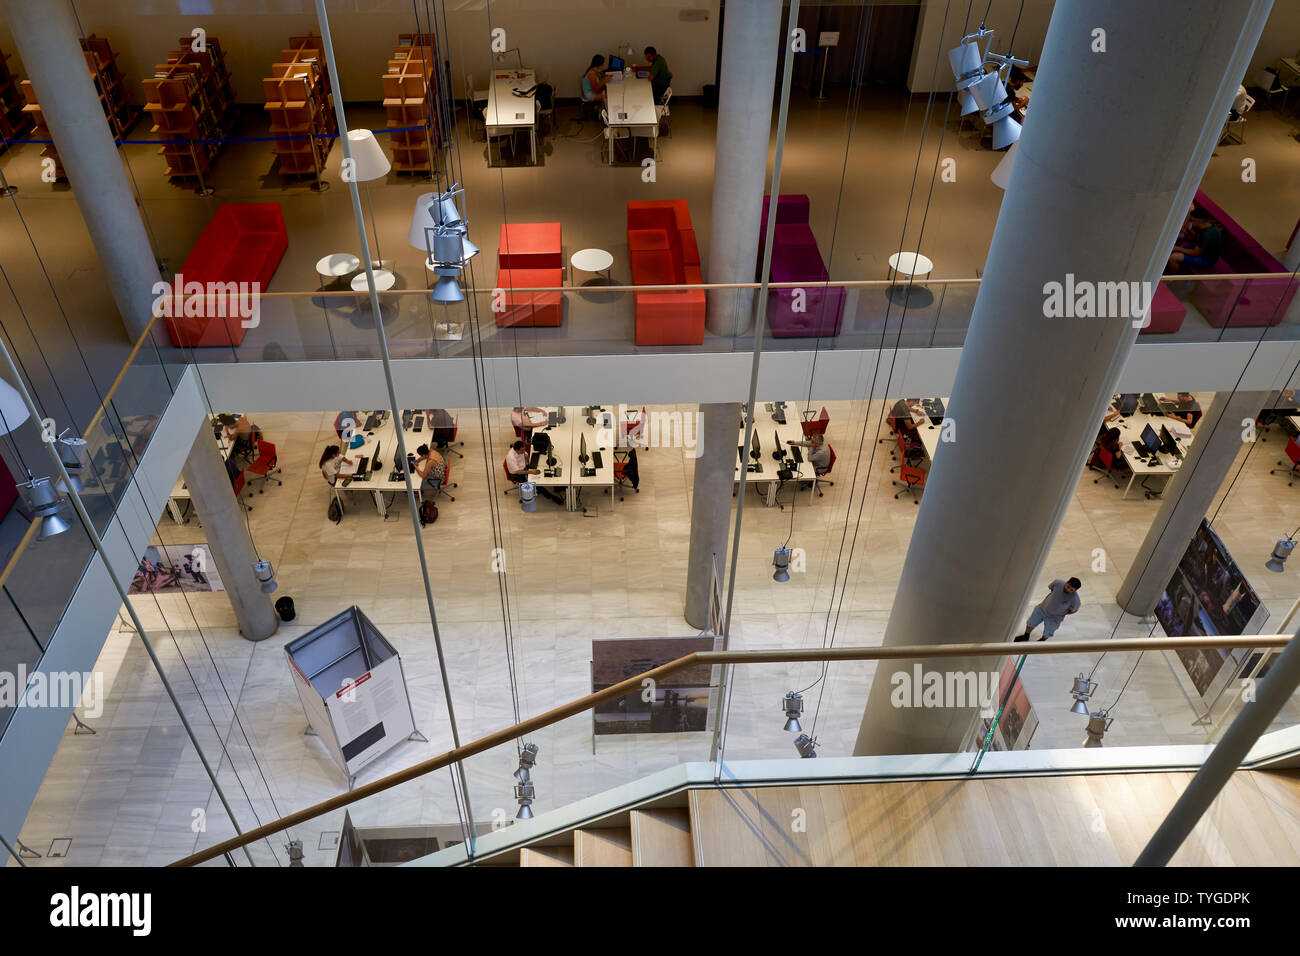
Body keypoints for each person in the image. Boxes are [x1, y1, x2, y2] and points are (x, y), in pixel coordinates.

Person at [1015, 577, 1082, 642]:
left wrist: (1061, 612)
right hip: (1042, 609)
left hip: (1055, 618)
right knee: (1031, 622)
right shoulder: (1058, 583)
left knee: (1048, 632)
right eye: (1068, 586)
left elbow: (1074, 610)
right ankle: (1026, 636)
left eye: (1071, 590)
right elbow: (1052, 589)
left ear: (1075, 590)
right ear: (1067, 582)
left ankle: (1042, 641)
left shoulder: (1075, 600)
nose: (1068, 589)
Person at [505, 440, 564, 504]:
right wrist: (531, 472)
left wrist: (530, 464)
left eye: (524, 449)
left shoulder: (521, 451)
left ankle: (557, 488)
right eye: (522, 450)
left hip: (524, 467)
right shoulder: (511, 457)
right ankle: (552, 497)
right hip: (518, 474)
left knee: (541, 470)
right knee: (537, 483)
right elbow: (518, 471)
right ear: (516, 450)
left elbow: (526, 456)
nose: (523, 451)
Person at [1167, 208, 1223, 274]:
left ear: (1198, 221)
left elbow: (1195, 253)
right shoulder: (1208, 223)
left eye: (1191, 220)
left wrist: (1177, 248)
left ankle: (1173, 277)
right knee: (1172, 250)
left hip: (1206, 260)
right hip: (1199, 249)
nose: (1189, 222)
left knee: (1174, 257)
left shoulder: (1207, 235)